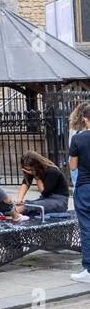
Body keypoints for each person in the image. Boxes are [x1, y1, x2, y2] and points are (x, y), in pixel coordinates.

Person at [68, 101, 90, 284]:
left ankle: (89, 269)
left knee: (87, 227)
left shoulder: (78, 139)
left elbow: (73, 165)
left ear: (85, 119)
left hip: (85, 186)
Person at [11, 151, 69, 220]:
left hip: (59, 201)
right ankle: (14, 212)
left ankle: (16, 214)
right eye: (26, 169)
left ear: (37, 165)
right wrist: (19, 199)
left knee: (28, 206)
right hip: (47, 199)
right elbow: (26, 182)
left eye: (30, 169)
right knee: (24, 204)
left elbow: (44, 192)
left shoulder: (52, 171)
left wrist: (36, 176)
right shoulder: (35, 170)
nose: (29, 170)